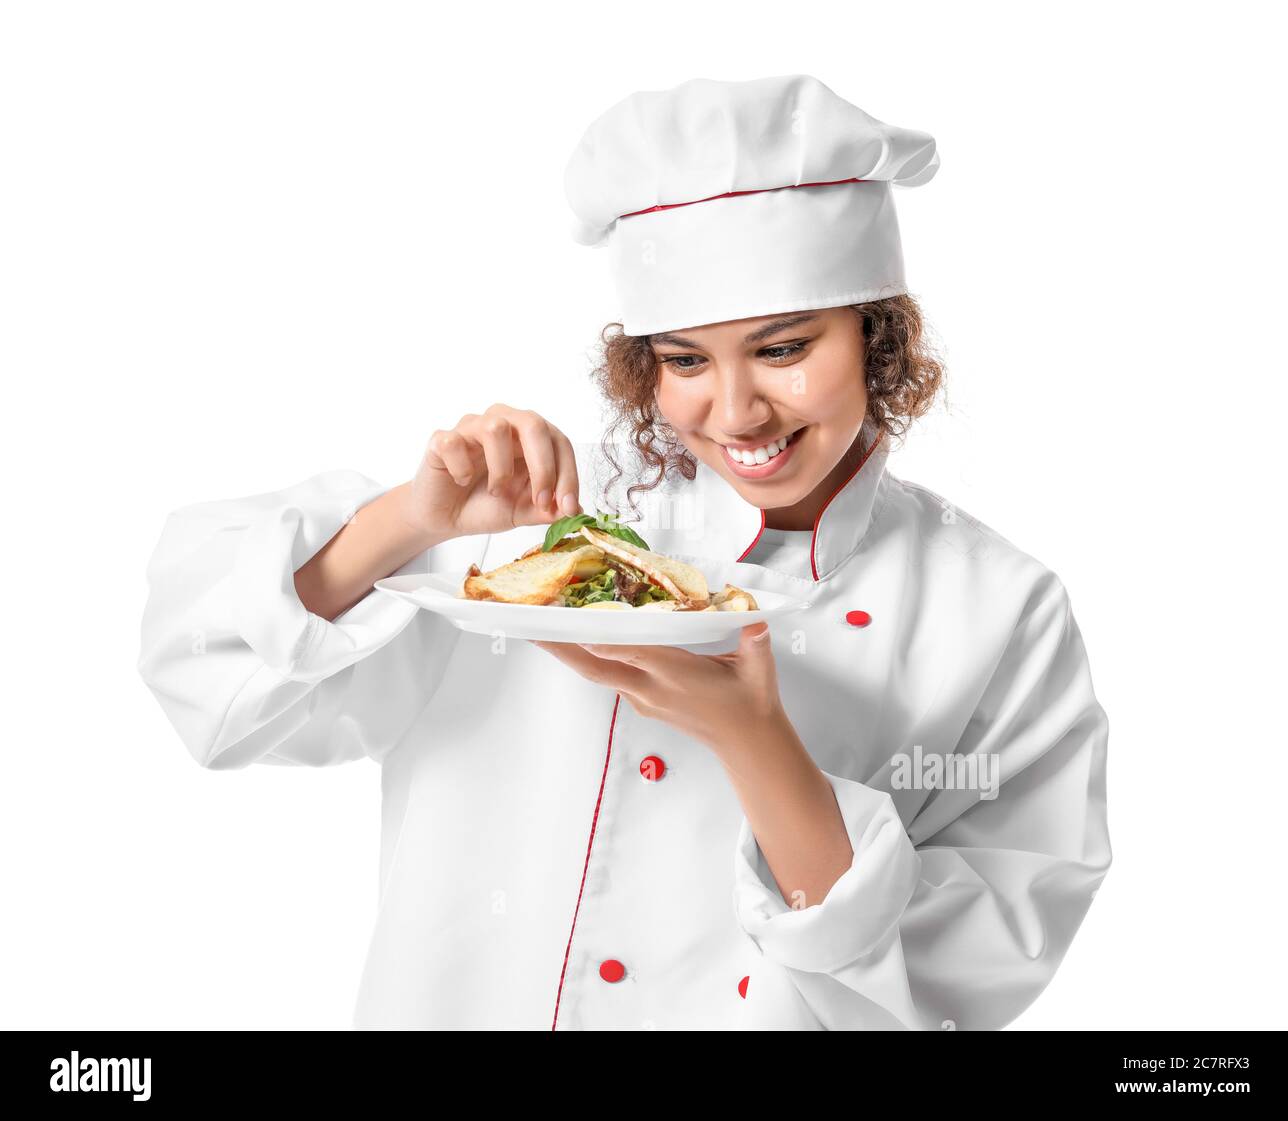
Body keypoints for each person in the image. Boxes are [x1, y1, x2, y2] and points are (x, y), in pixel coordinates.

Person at [139, 74, 1111, 1030]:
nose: (735, 412)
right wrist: (409, 521)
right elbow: (212, 684)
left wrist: (754, 737)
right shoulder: (520, 523)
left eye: (783, 348)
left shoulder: (995, 610)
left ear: (877, 336)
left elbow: (931, 985)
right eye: (685, 359)